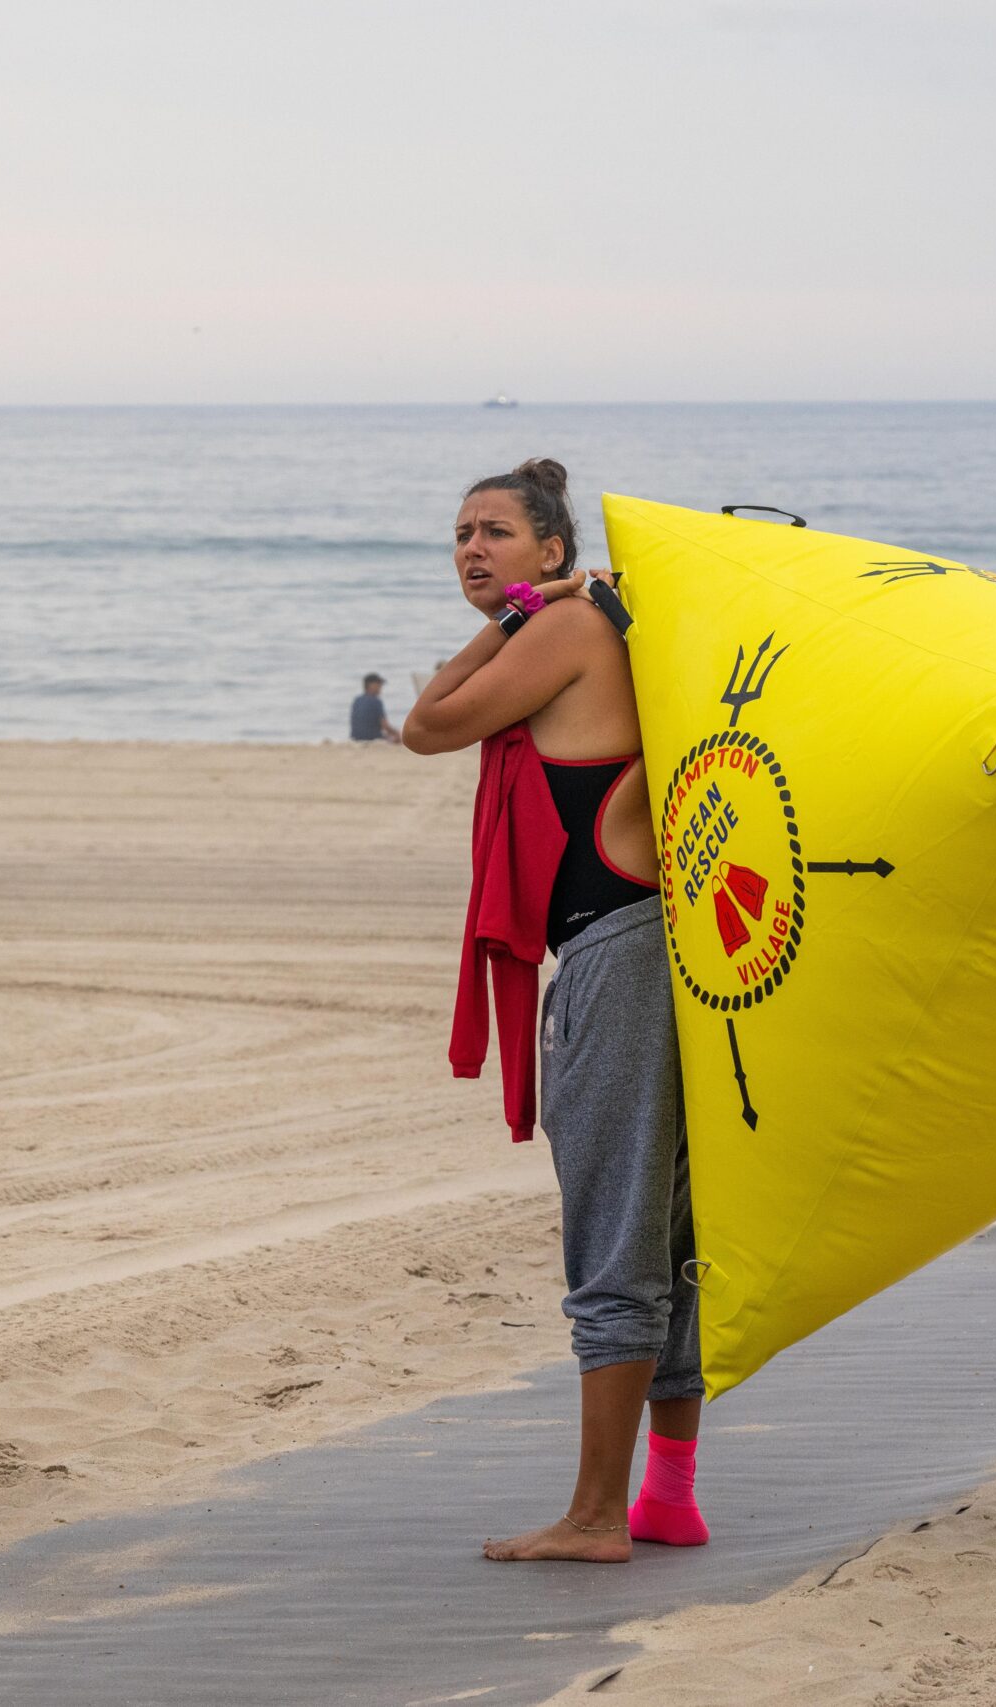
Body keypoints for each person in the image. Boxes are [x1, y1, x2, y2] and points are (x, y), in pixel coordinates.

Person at [400, 458, 707, 1564]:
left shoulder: (567, 631)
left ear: (551, 550)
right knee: (667, 1238)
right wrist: (526, 610)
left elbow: (427, 723)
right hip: (648, 948)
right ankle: (664, 1498)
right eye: (458, 537)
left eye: (493, 533)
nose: (471, 550)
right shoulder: (579, 624)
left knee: (615, 1234)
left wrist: (525, 617)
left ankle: (593, 1518)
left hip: (618, 957)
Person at [351, 672, 401, 742]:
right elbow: (385, 725)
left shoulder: (357, 700)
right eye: (379, 684)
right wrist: (396, 733)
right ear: (371, 685)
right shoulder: (376, 701)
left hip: (356, 737)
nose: (380, 687)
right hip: (372, 737)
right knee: (397, 737)